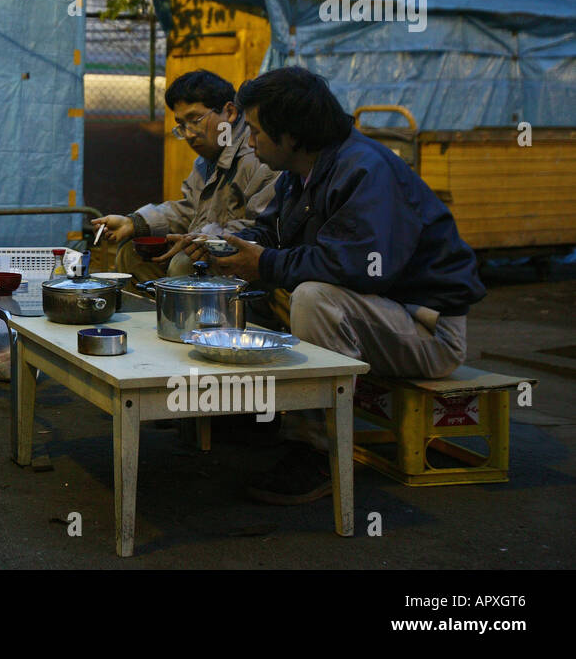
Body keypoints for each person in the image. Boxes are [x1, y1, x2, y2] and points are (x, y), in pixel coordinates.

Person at [181, 66, 486, 504]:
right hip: (380, 316)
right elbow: (271, 235)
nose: (250, 142)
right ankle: (248, 416)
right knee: (250, 284)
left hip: (427, 331)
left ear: (292, 135)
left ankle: (318, 452)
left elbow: (360, 268)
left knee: (314, 297)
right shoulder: (300, 172)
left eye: (259, 132)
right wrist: (228, 246)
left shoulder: (365, 169)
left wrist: (264, 263)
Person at [91, 69, 279, 279]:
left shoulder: (259, 155)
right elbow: (190, 210)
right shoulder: (206, 161)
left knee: (185, 263)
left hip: (250, 263)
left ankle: (186, 311)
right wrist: (135, 223)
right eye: (181, 125)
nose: (189, 134)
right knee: (132, 252)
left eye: (196, 119)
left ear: (230, 112)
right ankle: (160, 310)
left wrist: (203, 240)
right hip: (206, 247)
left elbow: (263, 229)